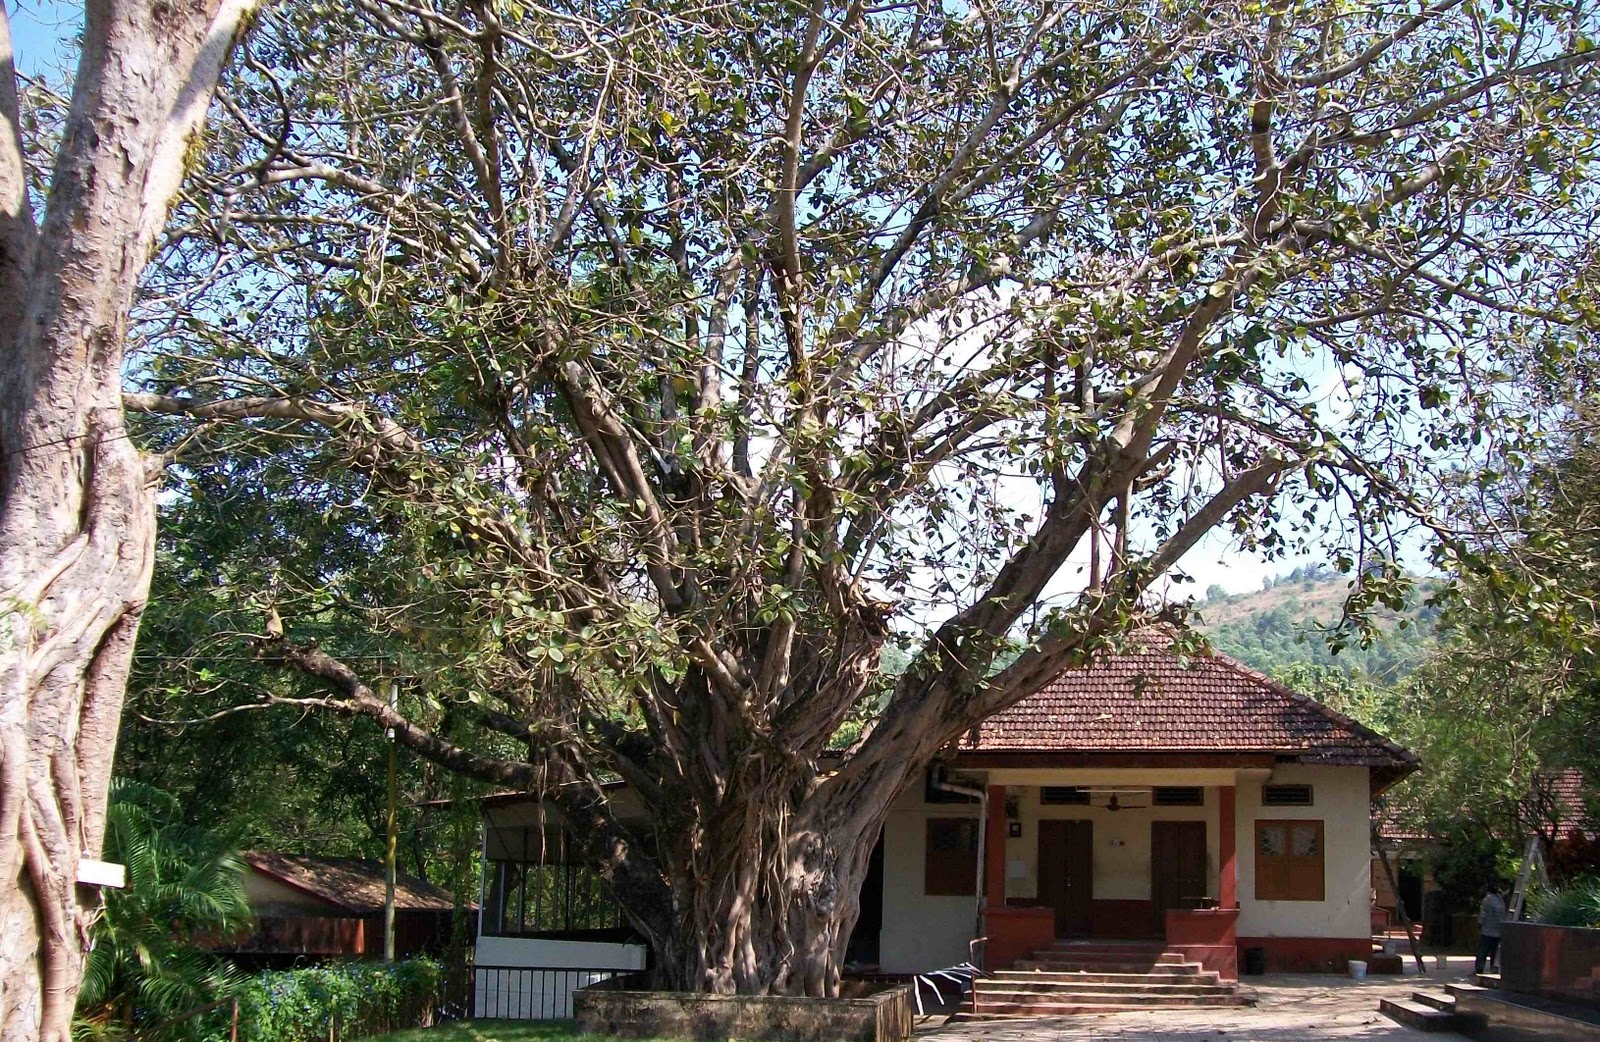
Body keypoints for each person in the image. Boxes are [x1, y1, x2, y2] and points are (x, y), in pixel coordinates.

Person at [1476, 880, 1509, 974]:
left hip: (1487, 931)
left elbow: (1482, 914)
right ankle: (1494, 969)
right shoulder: (1500, 901)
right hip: (1498, 931)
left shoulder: (1486, 900)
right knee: (1495, 952)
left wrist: (1479, 924)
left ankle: (1479, 969)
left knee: (1482, 951)